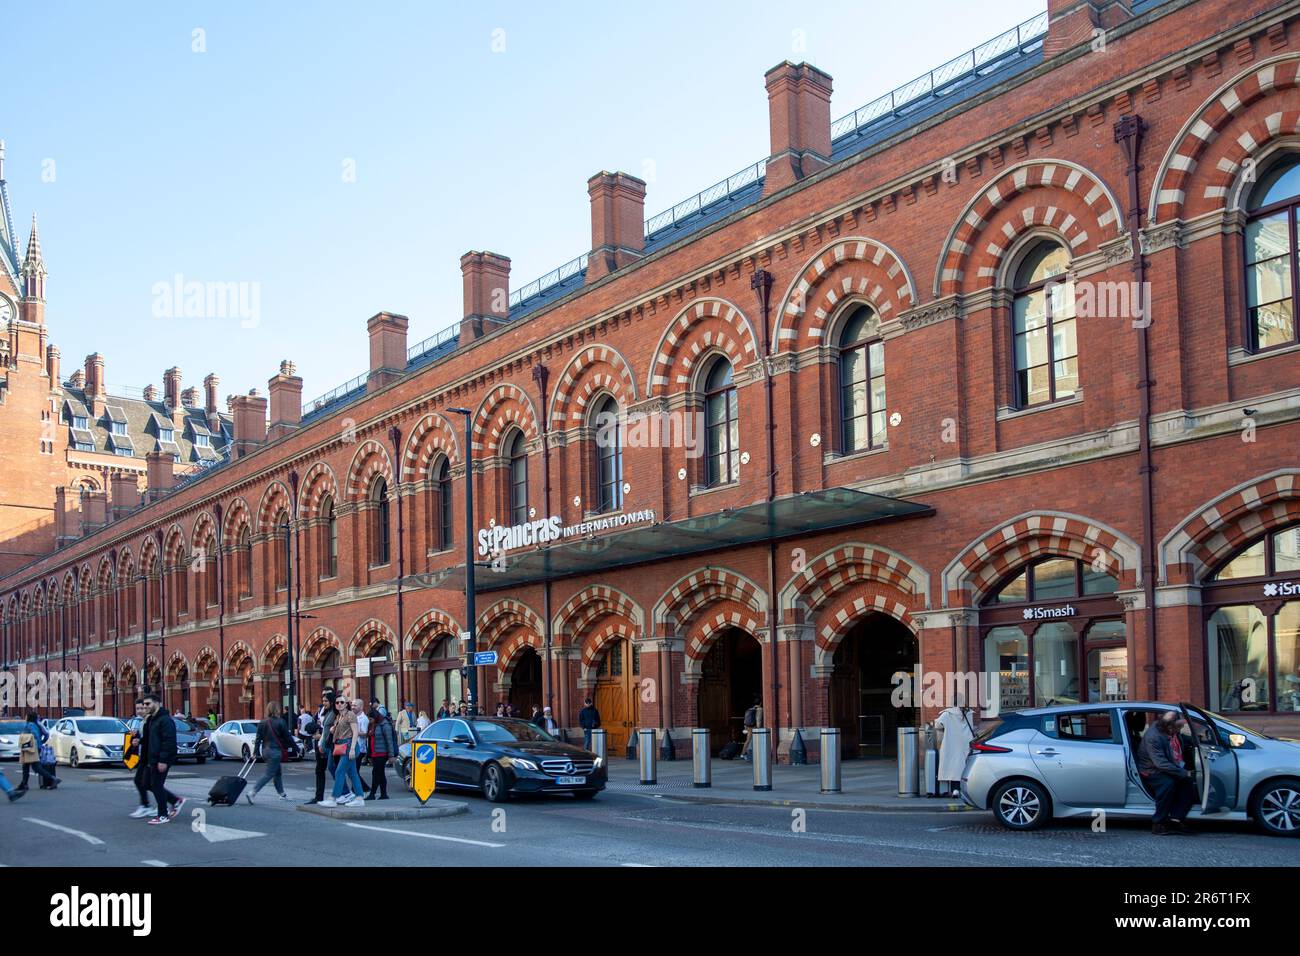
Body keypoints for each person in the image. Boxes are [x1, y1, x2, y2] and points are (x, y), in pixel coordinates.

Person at [1137, 711, 1198, 835]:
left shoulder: (1170, 730)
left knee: (1188, 783)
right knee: (1168, 784)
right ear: (1170, 726)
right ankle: (1158, 823)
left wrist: (1197, 740)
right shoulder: (1153, 737)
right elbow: (1161, 764)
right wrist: (1183, 773)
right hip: (1151, 770)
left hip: (1169, 765)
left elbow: (1180, 741)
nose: (1179, 730)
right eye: (1177, 728)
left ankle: (1176, 819)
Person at [141, 693, 184, 825]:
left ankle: (162, 815)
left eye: (148, 704)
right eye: (144, 704)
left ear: (157, 703)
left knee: (157, 785)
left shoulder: (165, 720)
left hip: (160, 759)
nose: (145, 707)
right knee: (146, 783)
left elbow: (169, 741)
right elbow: (150, 740)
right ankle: (175, 801)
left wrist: (163, 760)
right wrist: (139, 741)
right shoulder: (151, 720)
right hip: (151, 758)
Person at [320, 696, 365, 808]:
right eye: (337, 702)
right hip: (343, 745)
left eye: (342, 702)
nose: (339, 704)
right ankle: (359, 797)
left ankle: (333, 798)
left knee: (339, 772)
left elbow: (355, 732)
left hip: (349, 745)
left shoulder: (350, 715)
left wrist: (352, 749)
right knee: (353, 773)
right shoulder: (339, 716)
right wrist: (333, 731)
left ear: (346, 704)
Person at [247, 702, 294, 803]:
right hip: (275, 751)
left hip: (265, 751)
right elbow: (288, 737)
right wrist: (295, 747)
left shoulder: (262, 722)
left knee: (277, 772)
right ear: (277, 710)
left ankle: (282, 794)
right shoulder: (281, 722)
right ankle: (253, 792)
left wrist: (255, 752)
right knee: (269, 773)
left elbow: (258, 738)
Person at [306, 690, 336, 805]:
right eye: (323, 700)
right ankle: (319, 797)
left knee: (336, 770)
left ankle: (345, 793)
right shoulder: (323, 711)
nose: (324, 702)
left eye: (326, 700)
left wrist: (322, 733)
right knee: (320, 770)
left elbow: (332, 728)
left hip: (329, 744)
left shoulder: (334, 712)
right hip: (321, 743)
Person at [17, 710, 58, 791]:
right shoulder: (37, 724)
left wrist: (34, 742)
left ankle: (52, 779)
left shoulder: (30, 725)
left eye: (26, 716)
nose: (25, 717)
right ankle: (24, 784)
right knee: (26, 766)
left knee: (36, 767)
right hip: (34, 747)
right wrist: (42, 742)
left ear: (28, 717)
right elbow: (46, 734)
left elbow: (34, 735)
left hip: (31, 748)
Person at [128, 699, 154, 819]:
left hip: (150, 757)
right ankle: (145, 805)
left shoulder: (150, 721)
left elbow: (150, 739)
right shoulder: (141, 721)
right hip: (143, 757)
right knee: (140, 781)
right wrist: (135, 737)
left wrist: (139, 740)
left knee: (149, 783)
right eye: (137, 708)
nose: (139, 711)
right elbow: (142, 738)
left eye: (142, 708)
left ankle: (174, 801)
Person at [368, 707, 396, 800]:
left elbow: (389, 741)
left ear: (376, 717)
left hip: (382, 753)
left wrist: (391, 756)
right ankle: (384, 794)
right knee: (380, 773)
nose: (370, 721)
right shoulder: (374, 724)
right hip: (374, 753)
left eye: (371, 719)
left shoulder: (385, 725)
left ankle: (372, 794)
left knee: (376, 773)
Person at [740, 695, 763, 760]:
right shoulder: (760, 709)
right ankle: (754, 754)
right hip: (754, 727)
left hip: (749, 726)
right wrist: (759, 729)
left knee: (748, 740)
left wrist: (746, 727)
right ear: (760, 703)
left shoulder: (750, 709)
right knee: (756, 741)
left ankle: (743, 753)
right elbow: (758, 719)